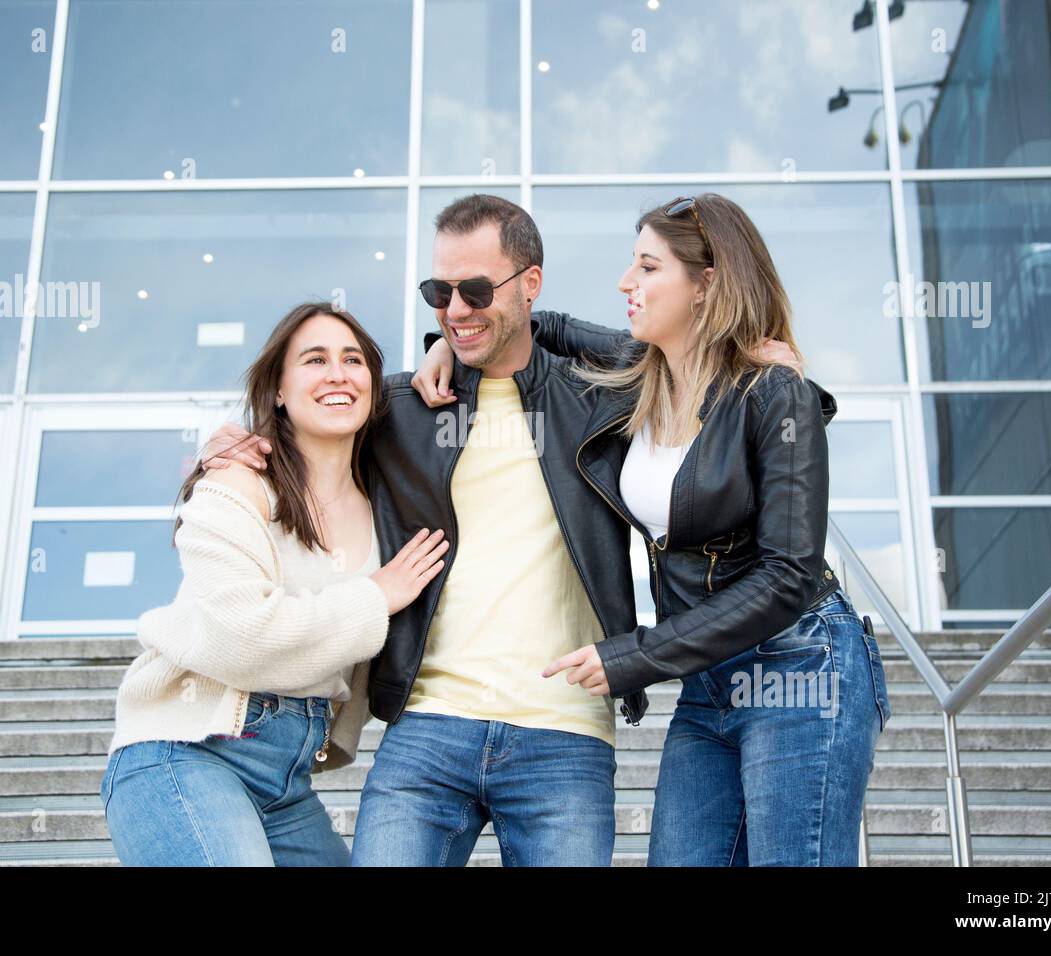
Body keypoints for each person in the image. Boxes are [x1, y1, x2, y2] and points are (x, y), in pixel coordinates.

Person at [203, 195, 803, 866]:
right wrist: (242, 440)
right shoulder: (404, 407)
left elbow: (677, 359)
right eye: (440, 291)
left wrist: (738, 355)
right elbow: (316, 415)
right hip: (428, 728)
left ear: (530, 283)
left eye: (478, 289)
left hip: (565, 731)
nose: (455, 310)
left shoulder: (600, 393)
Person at [414, 192, 893, 866]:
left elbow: (788, 576)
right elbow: (534, 322)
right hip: (707, 678)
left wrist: (634, 656)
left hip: (801, 659)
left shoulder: (774, 393)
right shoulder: (642, 371)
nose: (623, 283)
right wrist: (443, 346)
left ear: (706, 285)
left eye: (646, 267)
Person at [100, 302, 448, 866]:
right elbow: (241, 635)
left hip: (286, 784)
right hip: (185, 752)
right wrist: (376, 597)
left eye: (353, 360)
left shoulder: (381, 502)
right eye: (314, 360)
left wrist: (445, 347)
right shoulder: (239, 483)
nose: (338, 374)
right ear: (280, 391)